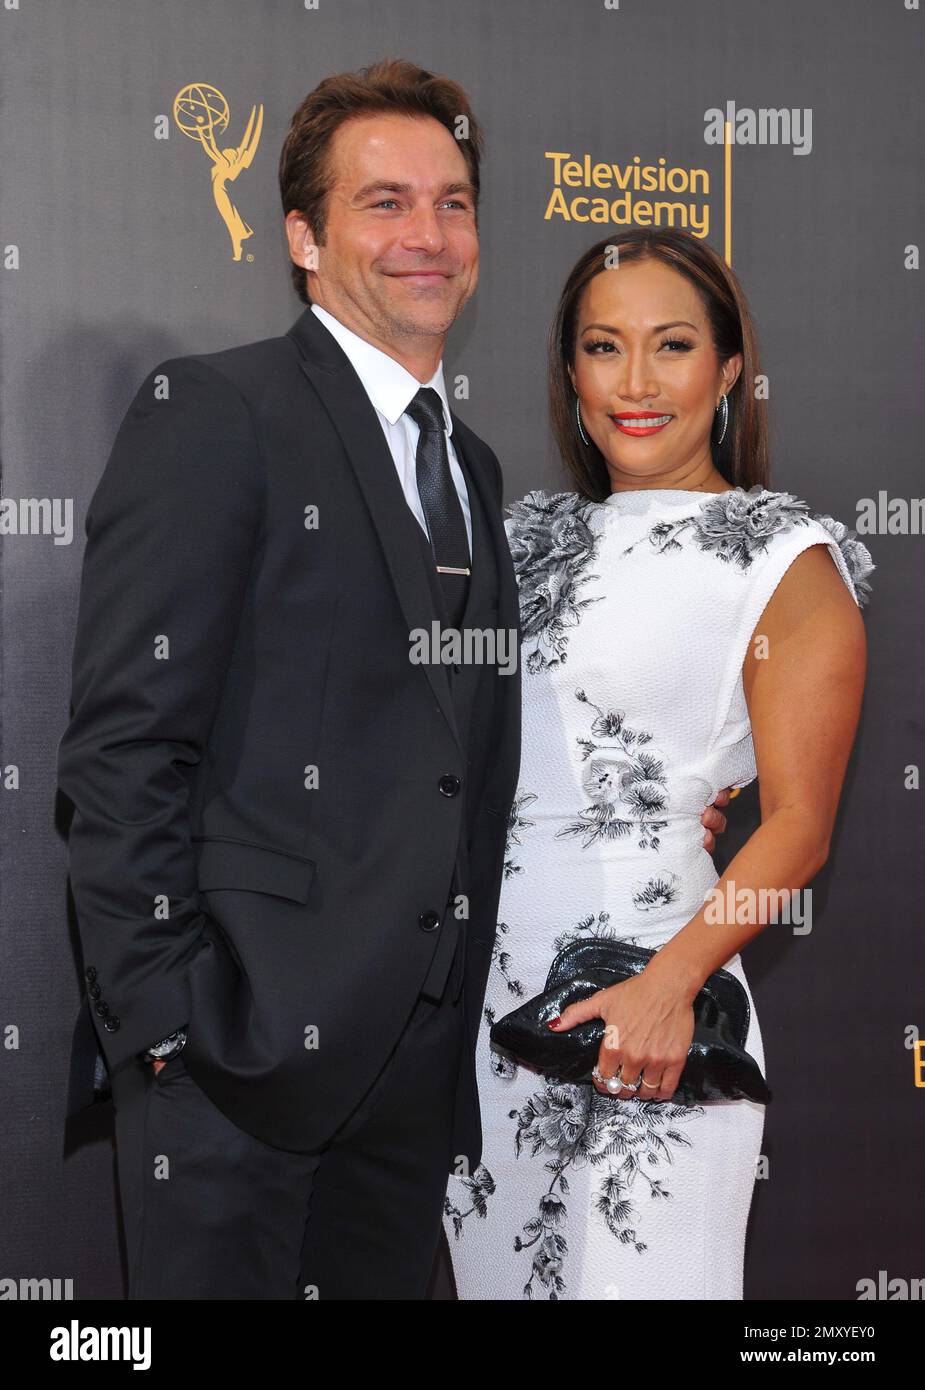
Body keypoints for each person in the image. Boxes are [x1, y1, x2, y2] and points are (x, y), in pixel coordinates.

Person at [58, 62, 730, 1300]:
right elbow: (123, 749)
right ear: (304, 238)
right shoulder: (218, 412)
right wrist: (167, 1029)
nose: (428, 235)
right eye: (384, 204)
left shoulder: (468, 464)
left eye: (454, 203)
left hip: (413, 1092)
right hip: (233, 1072)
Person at [443, 228, 874, 1300]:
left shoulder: (780, 555)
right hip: (479, 1017)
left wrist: (665, 986)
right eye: (602, 348)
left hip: (653, 1007)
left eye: (671, 345)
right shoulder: (518, 541)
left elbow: (799, 827)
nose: (634, 384)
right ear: (570, 372)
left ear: (728, 368)